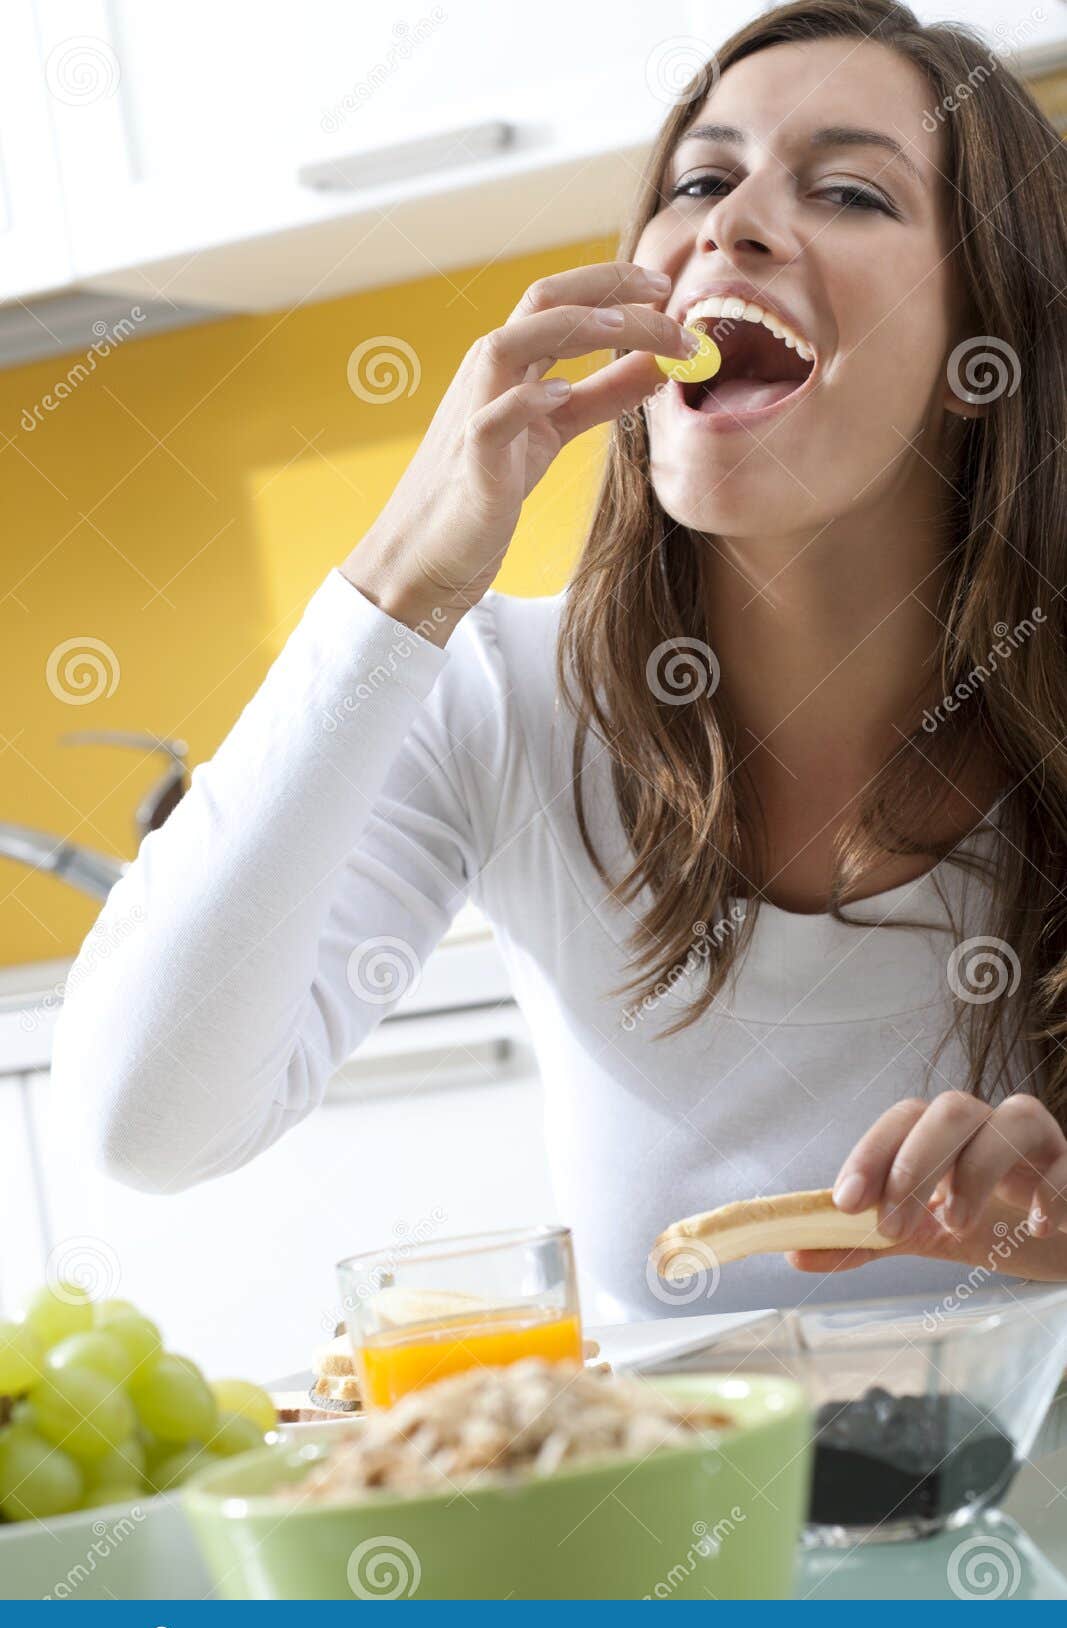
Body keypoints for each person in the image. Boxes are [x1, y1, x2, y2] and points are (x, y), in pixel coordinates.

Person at [50, 0, 1067, 1322]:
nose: (731, 223)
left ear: (980, 357)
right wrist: (408, 567)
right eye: (702, 178)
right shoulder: (503, 695)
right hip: (669, 1506)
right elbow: (149, 1122)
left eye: (850, 191)